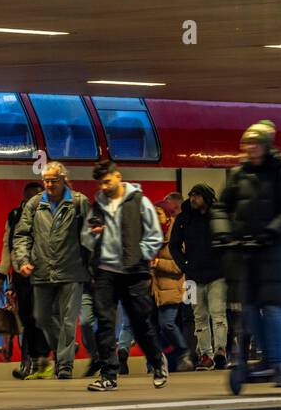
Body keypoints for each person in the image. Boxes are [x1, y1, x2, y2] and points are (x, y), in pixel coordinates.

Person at [218, 121, 281, 382]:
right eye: (246, 144)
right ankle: (266, 357)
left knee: (273, 306)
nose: (250, 149)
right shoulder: (238, 174)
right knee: (250, 307)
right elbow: (221, 207)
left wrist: (270, 233)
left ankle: (276, 361)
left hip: (271, 251)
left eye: (255, 144)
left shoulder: (280, 173)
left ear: (265, 146)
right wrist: (223, 232)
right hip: (245, 252)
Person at [84, 161, 169, 390]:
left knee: (140, 322)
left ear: (118, 177)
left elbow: (154, 235)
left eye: (107, 181)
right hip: (105, 272)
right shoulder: (98, 205)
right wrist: (95, 236)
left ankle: (157, 360)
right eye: (100, 183)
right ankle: (109, 375)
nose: (103, 187)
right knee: (104, 323)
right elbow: (86, 236)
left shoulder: (139, 201)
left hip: (134, 272)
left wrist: (139, 256)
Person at [12, 162, 93, 380]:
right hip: (42, 270)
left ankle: (64, 364)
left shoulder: (78, 202)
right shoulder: (35, 204)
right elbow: (21, 235)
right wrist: (22, 260)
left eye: (53, 180)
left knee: (68, 319)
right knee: (41, 316)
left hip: (72, 270)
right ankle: (66, 347)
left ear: (64, 179)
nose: (48, 184)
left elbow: (91, 234)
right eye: (46, 180)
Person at [170, 183, 227, 368]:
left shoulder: (218, 217)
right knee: (198, 316)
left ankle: (220, 351)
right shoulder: (183, 218)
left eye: (197, 195)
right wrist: (184, 265)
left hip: (217, 274)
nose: (193, 199)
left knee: (218, 313)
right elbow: (174, 245)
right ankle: (205, 355)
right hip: (192, 277)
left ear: (207, 197)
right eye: (191, 195)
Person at [2, 181, 51, 379]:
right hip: (22, 273)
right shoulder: (14, 215)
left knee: (40, 317)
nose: (36, 201)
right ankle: (35, 361)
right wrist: (2, 274)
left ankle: (42, 360)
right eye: (32, 197)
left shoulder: (49, 213)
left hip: (43, 274)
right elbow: (8, 245)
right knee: (27, 318)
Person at [152, 201, 195, 373]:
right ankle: (164, 359)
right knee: (155, 328)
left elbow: (179, 266)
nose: (155, 217)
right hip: (154, 290)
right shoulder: (150, 236)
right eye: (153, 214)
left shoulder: (175, 235)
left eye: (159, 213)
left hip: (172, 288)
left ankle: (184, 352)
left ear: (168, 216)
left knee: (167, 324)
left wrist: (157, 263)